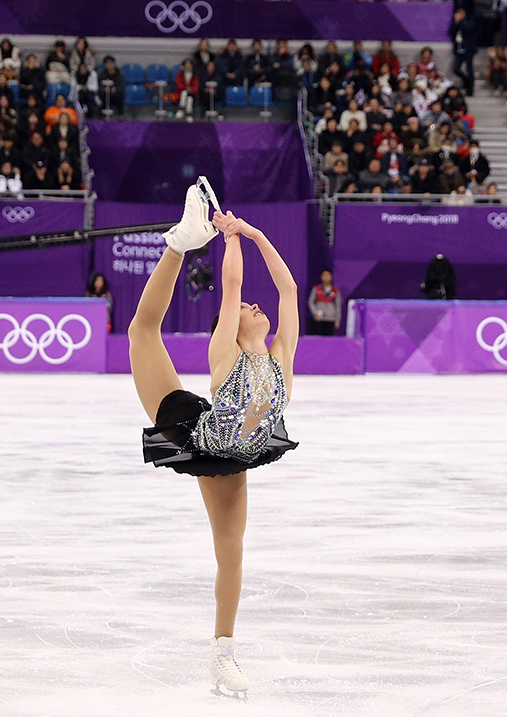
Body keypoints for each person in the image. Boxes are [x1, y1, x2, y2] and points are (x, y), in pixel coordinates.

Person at [133, 179, 298, 699]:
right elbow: (230, 286)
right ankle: (177, 245)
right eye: (248, 307)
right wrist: (228, 239)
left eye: (253, 305)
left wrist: (255, 234)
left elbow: (289, 291)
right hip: (194, 432)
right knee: (142, 331)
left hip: (237, 454)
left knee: (231, 552)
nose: (255, 305)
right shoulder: (224, 355)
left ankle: (222, 653)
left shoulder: (282, 359)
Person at [307, 269, 341, 335]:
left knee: (329, 338)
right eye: (324, 275)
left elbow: (338, 305)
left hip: (331, 319)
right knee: (318, 338)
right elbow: (311, 301)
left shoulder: (336, 291)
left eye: (328, 275)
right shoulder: (316, 289)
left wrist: (337, 320)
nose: (326, 277)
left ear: (331, 277)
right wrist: (315, 313)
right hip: (320, 318)